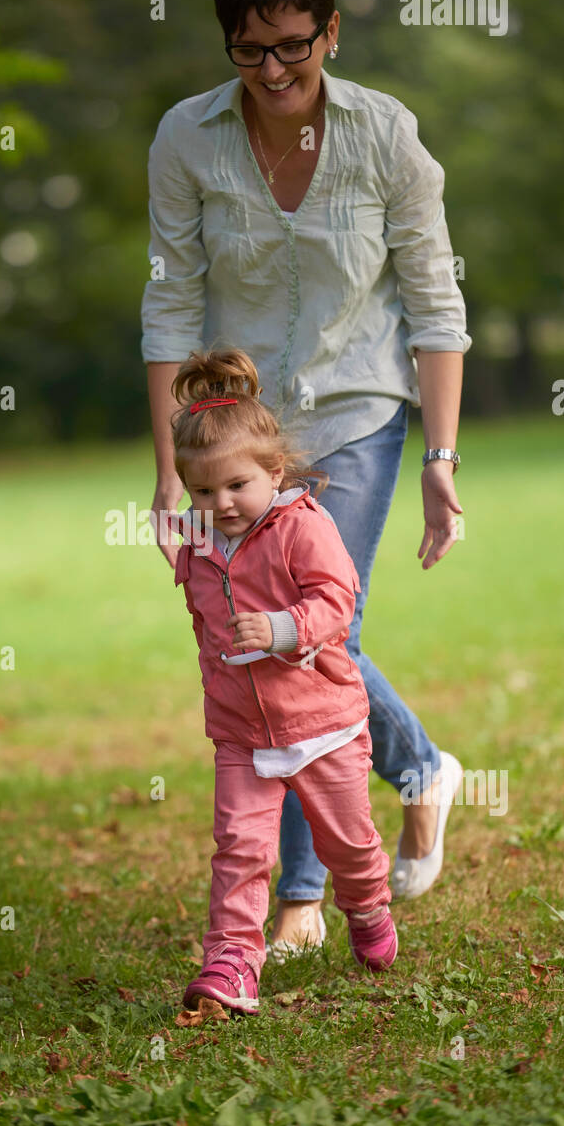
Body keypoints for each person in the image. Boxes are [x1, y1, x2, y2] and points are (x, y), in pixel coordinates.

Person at [141, 0, 469, 959]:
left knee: (315, 632)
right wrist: (166, 470)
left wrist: (441, 461)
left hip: (357, 415)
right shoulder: (186, 140)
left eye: (292, 44)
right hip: (237, 433)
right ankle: (419, 770)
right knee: (279, 637)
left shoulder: (385, 136)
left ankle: (300, 892)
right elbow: (169, 307)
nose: (273, 70)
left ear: (330, 30)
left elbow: (435, 305)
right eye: (250, 49)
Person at [168, 347, 397, 1015]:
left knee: (347, 844)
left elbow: (337, 600)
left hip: (321, 722)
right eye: (203, 492)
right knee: (239, 849)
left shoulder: (302, 528)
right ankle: (232, 964)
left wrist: (283, 628)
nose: (221, 503)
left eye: (236, 485)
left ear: (274, 471)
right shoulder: (198, 544)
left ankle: (366, 905)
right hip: (242, 733)